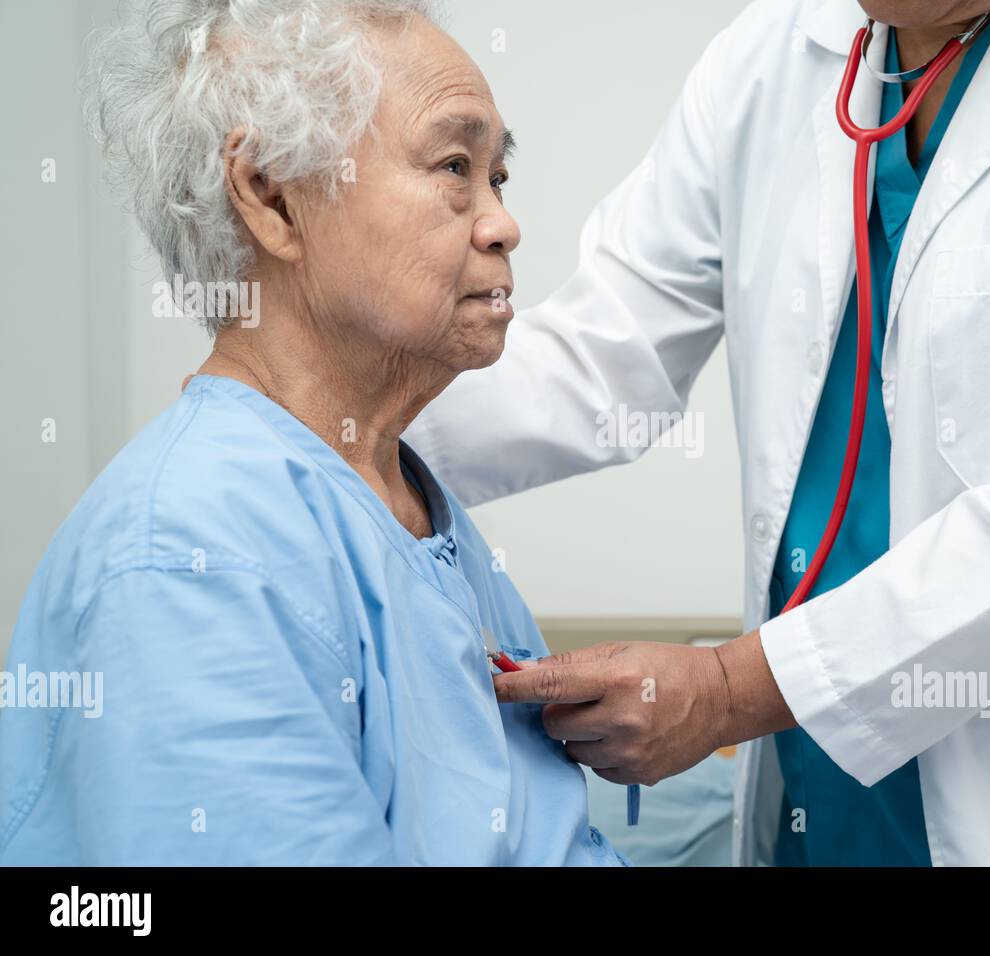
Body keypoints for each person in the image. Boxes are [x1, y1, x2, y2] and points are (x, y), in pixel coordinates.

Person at [408, 0, 990, 865]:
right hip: (820, 780)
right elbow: (603, 355)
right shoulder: (774, 53)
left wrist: (727, 690)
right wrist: (319, 413)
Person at [0, 0, 625, 866]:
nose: (502, 223)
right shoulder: (189, 559)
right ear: (270, 196)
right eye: (454, 166)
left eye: (498, 177)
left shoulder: (402, 505)